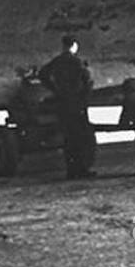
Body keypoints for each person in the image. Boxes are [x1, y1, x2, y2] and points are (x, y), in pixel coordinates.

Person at [39, 36, 97, 179]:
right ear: (74, 46)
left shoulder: (57, 61)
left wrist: (55, 89)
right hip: (77, 104)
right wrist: (84, 97)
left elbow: (42, 74)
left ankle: (71, 171)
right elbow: (88, 81)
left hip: (63, 104)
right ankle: (82, 169)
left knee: (69, 139)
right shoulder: (76, 61)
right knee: (82, 138)